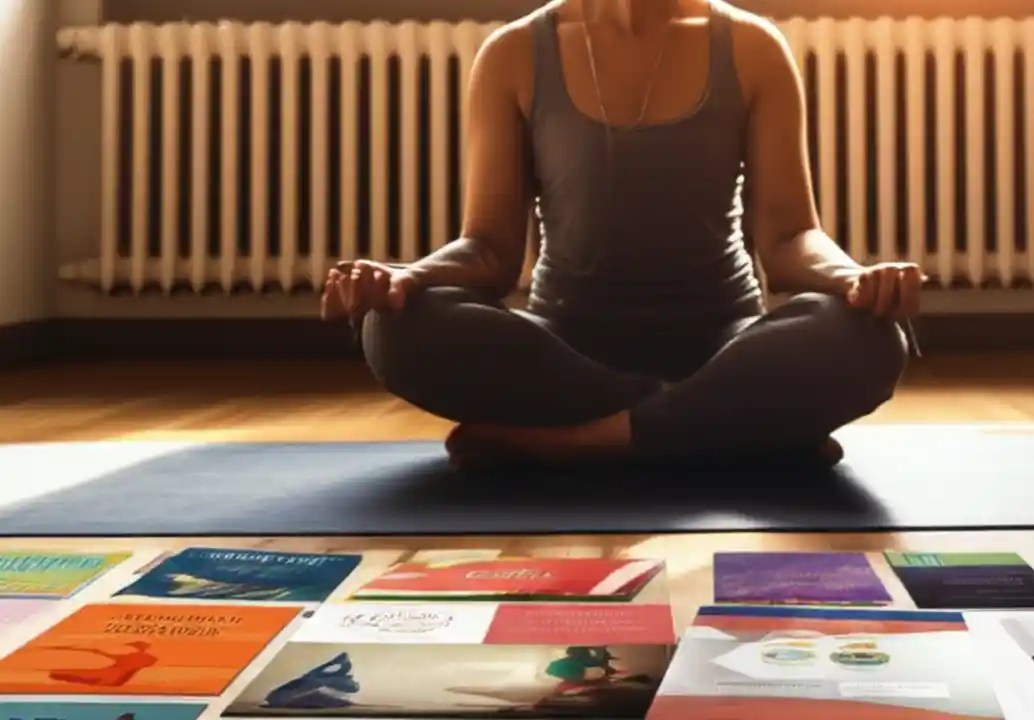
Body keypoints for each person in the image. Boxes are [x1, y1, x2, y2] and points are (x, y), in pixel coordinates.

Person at [321, 0, 923, 469]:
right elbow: (489, 251)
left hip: (726, 346)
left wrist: (854, 279)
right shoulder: (513, 53)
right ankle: (727, 431)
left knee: (868, 337)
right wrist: (405, 278)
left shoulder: (752, 46)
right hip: (564, 353)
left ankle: (583, 443)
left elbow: (791, 239)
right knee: (396, 328)